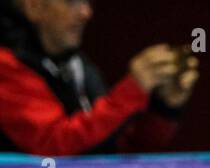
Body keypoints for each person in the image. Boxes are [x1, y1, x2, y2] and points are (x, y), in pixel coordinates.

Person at [0, 0, 198, 155]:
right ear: (34, 6)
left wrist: (164, 108)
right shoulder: (5, 65)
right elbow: (54, 148)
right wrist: (132, 90)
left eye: (87, 1)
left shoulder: (77, 65)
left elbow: (119, 147)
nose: (86, 13)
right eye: (72, 1)